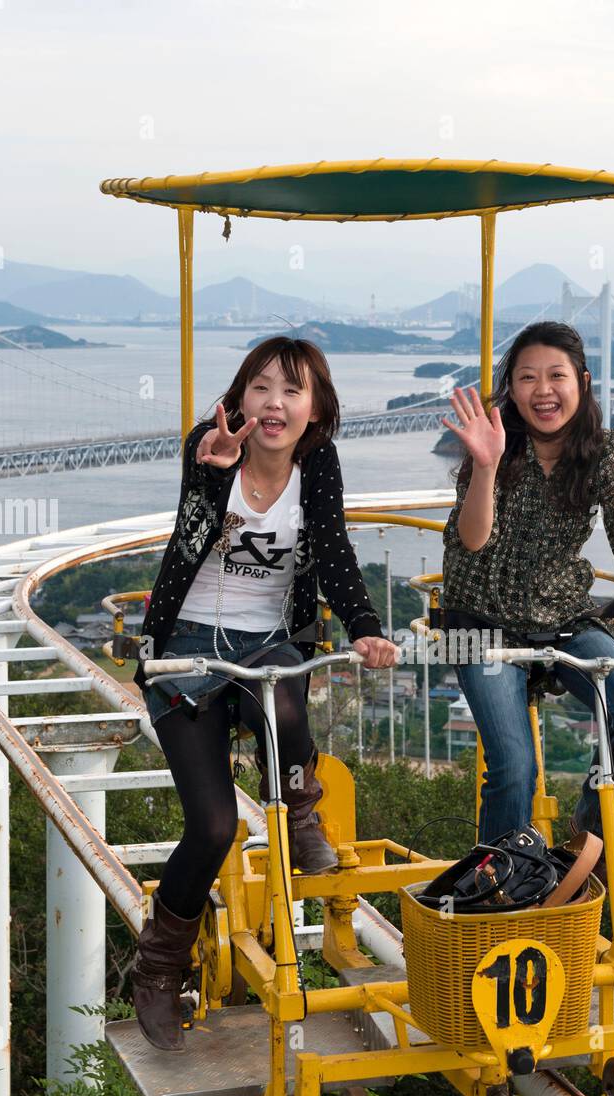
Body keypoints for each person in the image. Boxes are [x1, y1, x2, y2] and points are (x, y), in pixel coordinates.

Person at [130, 336, 398, 1050]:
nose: (275, 405)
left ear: (317, 410)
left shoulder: (319, 464)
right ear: (239, 396)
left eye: (293, 391)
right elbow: (189, 537)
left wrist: (367, 627)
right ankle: (158, 968)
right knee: (215, 827)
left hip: (266, 641)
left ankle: (298, 801)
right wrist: (210, 476)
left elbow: (334, 550)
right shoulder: (211, 446)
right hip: (185, 646)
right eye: (262, 388)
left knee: (281, 703)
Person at [440, 321, 614, 886]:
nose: (543, 390)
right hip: (481, 624)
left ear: (582, 383)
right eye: (527, 378)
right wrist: (485, 465)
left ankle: (594, 832)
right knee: (514, 767)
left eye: (556, 376)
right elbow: (472, 538)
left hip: (562, 615)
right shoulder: (493, 444)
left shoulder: (601, 449)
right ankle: (500, 884)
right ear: (509, 389)